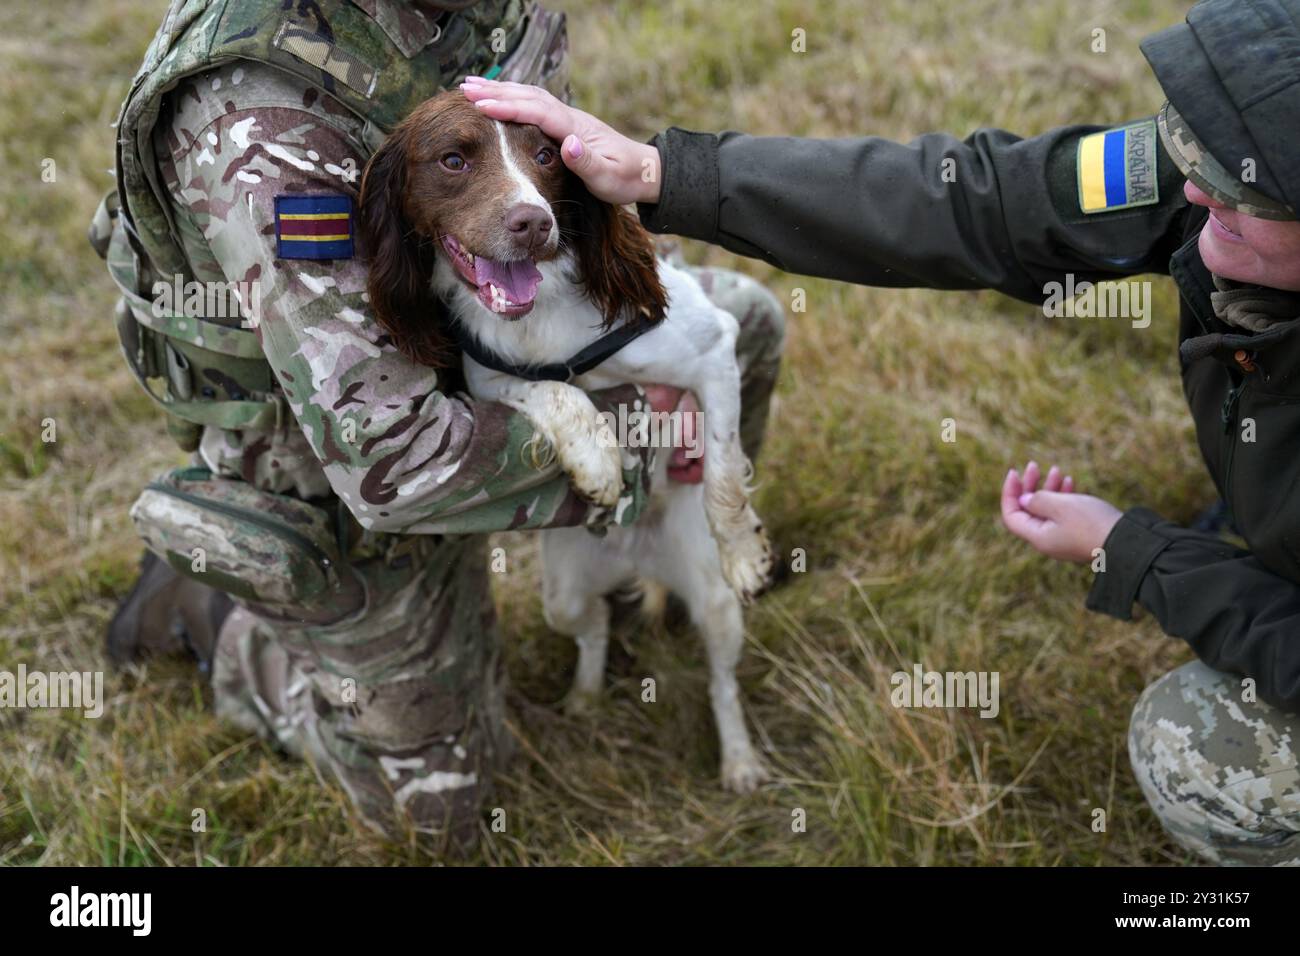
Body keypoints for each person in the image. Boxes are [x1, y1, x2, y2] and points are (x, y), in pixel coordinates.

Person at [462, 0, 1300, 864]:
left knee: (1196, 748)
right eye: (1192, 149)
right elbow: (979, 200)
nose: (1196, 190)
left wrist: (1137, 553)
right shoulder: (1216, 175)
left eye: (1244, 189)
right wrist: (661, 174)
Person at [91, 0, 785, 849]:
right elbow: (392, 460)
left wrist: (644, 355)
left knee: (740, 321)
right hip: (338, 442)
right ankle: (225, 613)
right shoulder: (254, 102)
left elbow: (532, 188)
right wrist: (638, 425)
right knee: (439, 811)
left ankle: (685, 564)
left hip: (485, 328)